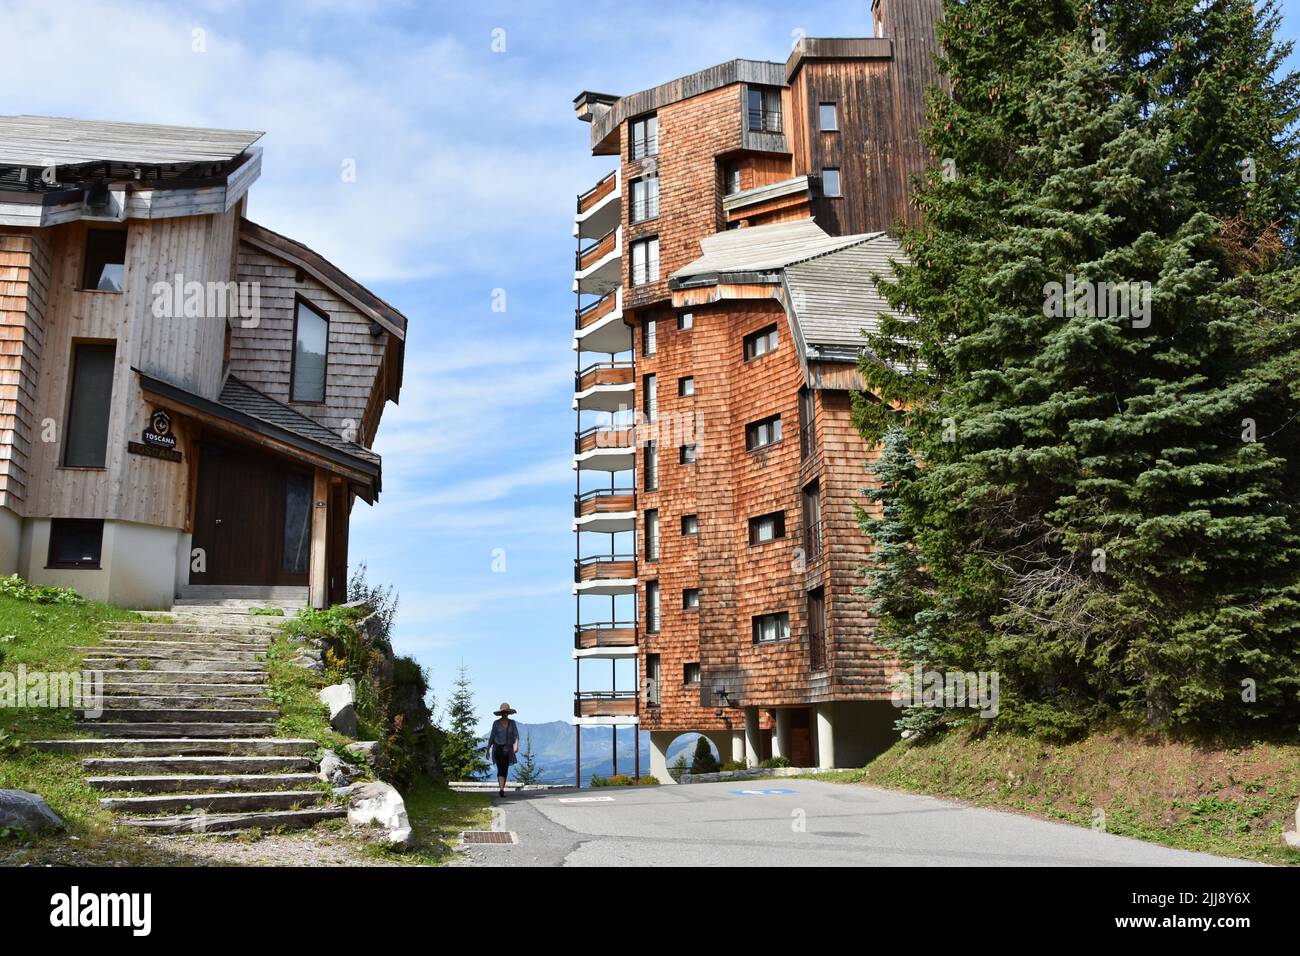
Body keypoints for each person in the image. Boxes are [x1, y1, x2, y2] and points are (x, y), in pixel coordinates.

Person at [487, 702, 520, 797]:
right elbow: (492, 736)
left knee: (505, 769)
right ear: (501, 713)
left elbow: (516, 735)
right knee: (500, 768)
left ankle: (502, 788)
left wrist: (516, 745)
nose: (505, 714)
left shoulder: (512, 723)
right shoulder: (496, 723)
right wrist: (488, 748)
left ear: (508, 713)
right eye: (503, 712)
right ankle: (501, 789)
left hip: (508, 749)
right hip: (498, 749)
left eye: (506, 712)